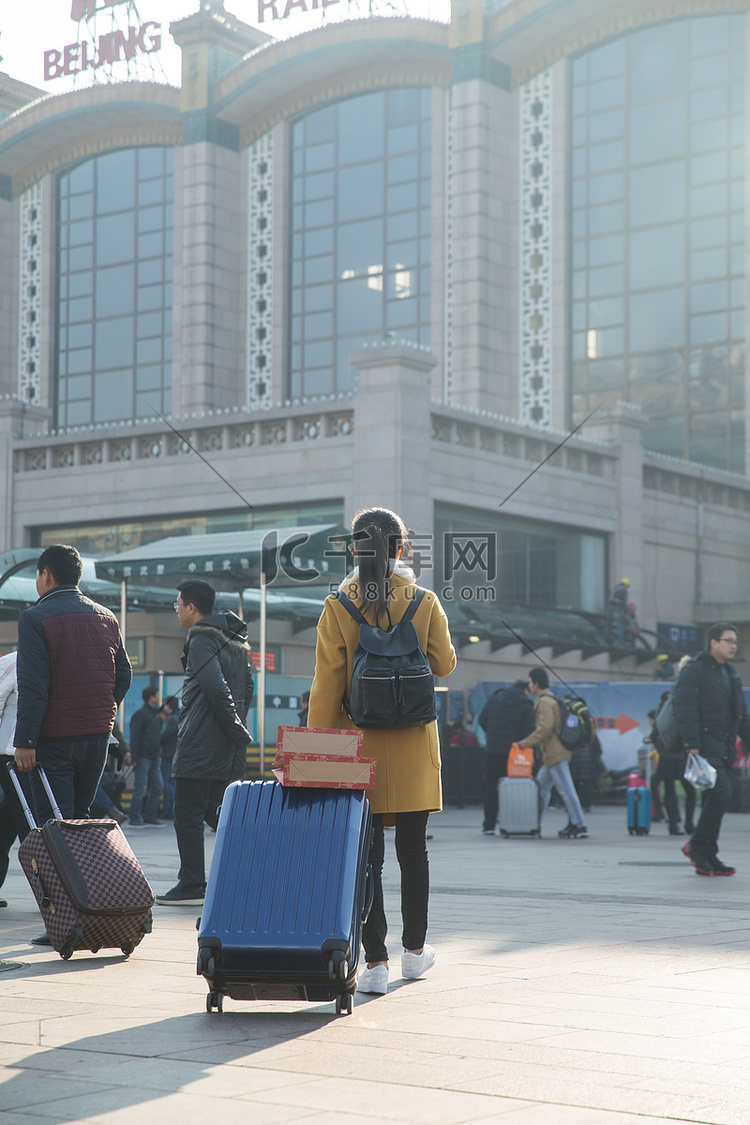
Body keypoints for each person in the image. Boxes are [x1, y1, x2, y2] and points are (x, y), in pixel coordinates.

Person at [307, 506, 456, 995]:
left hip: (359, 751)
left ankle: (375, 964)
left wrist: (315, 755)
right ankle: (415, 954)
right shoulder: (425, 600)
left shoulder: (339, 604)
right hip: (414, 749)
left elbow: (327, 687)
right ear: (401, 548)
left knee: (366, 858)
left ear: (355, 548)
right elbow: (445, 664)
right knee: (413, 853)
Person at [12, 544, 132, 944]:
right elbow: (124, 676)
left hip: (53, 742)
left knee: (55, 829)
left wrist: (25, 740)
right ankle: (89, 907)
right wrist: (105, 715)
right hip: (97, 738)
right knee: (80, 822)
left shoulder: (35, 617)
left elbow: (33, 686)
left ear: (46, 575)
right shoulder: (106, 616)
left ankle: (69, 918)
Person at [155, 580, 254, 906]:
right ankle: (245, 876)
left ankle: (192, 884)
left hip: (200, 744)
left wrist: (237, 732)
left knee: (187, 815)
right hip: (226, 747)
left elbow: (215, 689)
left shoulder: (201, 637)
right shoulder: (236, 641)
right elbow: (247, 689)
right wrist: (236, 734)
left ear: (192, 608)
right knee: (217, 814)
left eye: (178, 605)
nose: (177, 610)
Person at [675, 622, 750, 876]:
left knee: (712, 799)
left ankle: (708, 854)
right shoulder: (695, 670)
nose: (733, 646)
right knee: (722, 795)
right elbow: (685, 708)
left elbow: (741, 715)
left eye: (735, 642)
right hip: (704, 747)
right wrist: (692, 744)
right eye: (728, 640)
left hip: (724, 748)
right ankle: (696, 845)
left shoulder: (730, 673)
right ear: (713, 643)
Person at [518, 667, 588, 839]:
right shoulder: (548, 700)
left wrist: (525, 743)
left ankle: (579, 824)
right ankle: (534, 823)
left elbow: (545, 728)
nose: (529, 686)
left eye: (530, 682)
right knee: (540, 788)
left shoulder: (546, 702)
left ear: (536, 683)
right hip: (551, 755)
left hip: (557, 755)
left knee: (566, 790)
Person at [477, 680, 534, 834]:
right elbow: (529, 732)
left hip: (492, 750)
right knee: (512, 788)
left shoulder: (495, 698)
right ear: (525, 690)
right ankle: (509, 824)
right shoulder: (526, 704)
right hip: (513, 754)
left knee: (491, 788)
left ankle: (488, 826)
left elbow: (482, 719)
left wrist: (493, 735)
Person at [127, 687, 166, 828]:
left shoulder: (155, 714)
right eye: (157, 695)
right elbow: (135, 736)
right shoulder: (141, 714)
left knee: (158, 786)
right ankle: (135, 817)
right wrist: (134, 757)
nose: (158, 698)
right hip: (143, 757)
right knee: (141, 788)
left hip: (154, 757)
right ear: (151, 697)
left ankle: (150, 816)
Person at [159, 695, 180, 819]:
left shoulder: (172, 719)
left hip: (168, 755)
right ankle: (168, 810)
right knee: (172, 782)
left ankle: (174, 802)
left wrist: (157, 741)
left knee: (163, 782)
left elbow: (166, 735)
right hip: (176, 755)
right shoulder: (180, 716)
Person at [604, 577, 630, 646]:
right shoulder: (623, 590)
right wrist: (625, 613)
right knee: (620, 627)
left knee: (608, 626)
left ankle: (602, 640)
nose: (627, 588)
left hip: (610, 609)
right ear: (625, 584)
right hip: (618, 610)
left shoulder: (614, 588)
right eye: (627, 586)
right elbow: (624, 603)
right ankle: (620, 643)